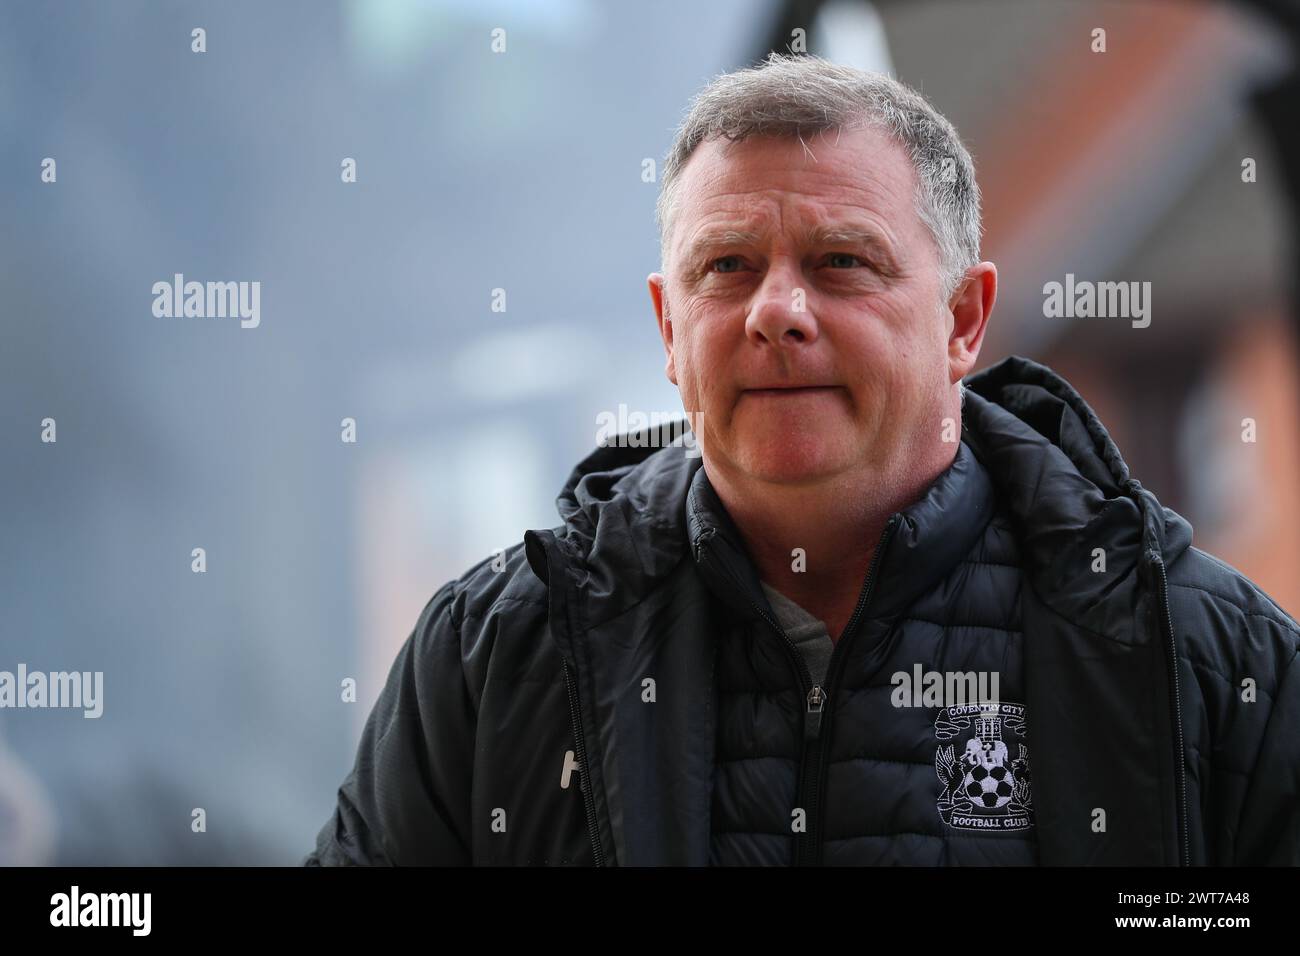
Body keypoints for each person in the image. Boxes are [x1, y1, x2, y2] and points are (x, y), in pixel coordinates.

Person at [305, 53, 1300, 866]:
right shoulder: (494, 661)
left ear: (962, 318)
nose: (775, 312)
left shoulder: (1208, 664)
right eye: (726, 267)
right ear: (667, 324)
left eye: (841, 262)